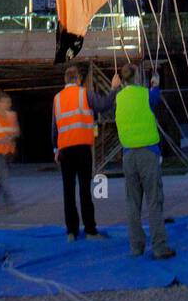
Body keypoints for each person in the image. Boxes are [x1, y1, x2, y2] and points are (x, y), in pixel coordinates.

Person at [111, 63, 175, 259]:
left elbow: (111, 98)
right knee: (154, 200)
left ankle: (136, 247)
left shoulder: (118, 97)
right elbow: (155, 96)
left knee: (132, 202)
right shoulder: (146, 94)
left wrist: (115, 88)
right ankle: (159, 246)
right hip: (148, 153)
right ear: (137, 77)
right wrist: (156, 83)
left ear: (121, 80)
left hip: (128, 155)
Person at [51, 65, 111, 241]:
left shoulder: (57, 98)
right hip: (83, 148)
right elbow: (103, 105)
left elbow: (54, 127)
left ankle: (71, 231)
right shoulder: (85, 93)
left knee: (68, 191)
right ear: (78, 79)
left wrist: (55, 148)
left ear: (65, 80)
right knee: (85, 190)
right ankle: (90, 230)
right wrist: (114, 90)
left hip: (64, 150)